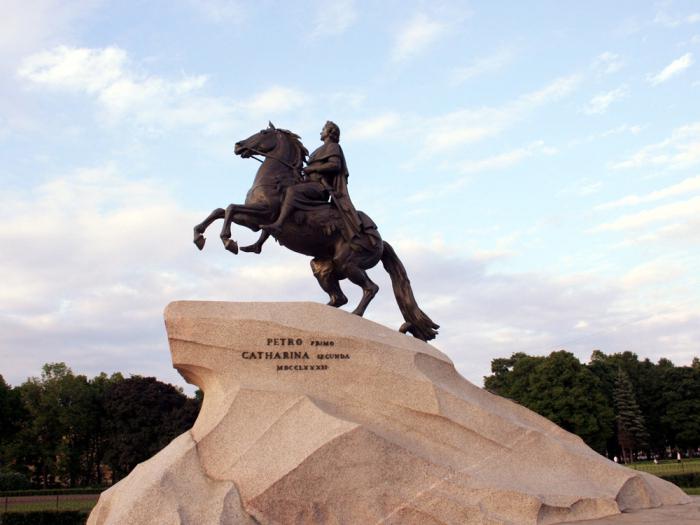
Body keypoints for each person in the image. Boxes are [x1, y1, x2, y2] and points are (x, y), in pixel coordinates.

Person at [261, 121, 362, 241]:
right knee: (278, 194)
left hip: (320, 187)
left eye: (323, 129)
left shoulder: (333, 146)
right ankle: (260, 242)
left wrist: (312, 168)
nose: (321, 131)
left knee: (292, 191)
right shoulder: (320, 149)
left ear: (330, 132)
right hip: (308, 183)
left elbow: (335, 165)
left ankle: (279, 224)